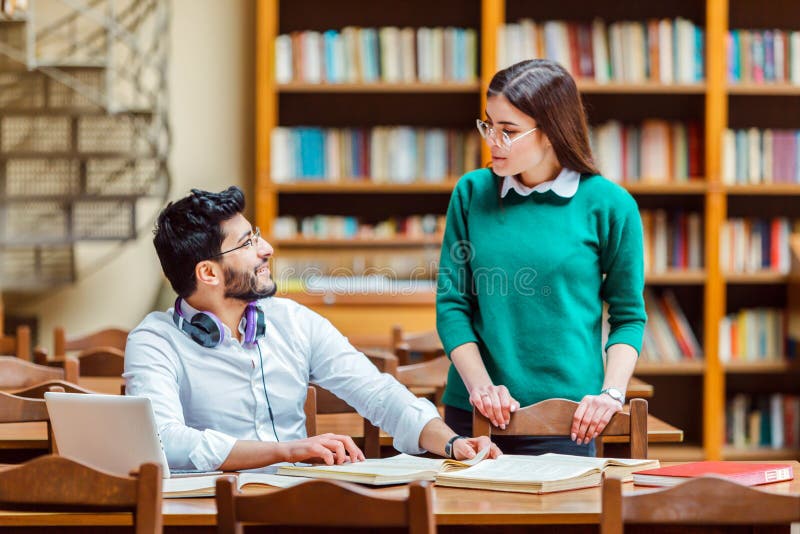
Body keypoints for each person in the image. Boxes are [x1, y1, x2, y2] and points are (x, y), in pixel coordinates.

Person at [123, 186, 499, 472]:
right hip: (206, 517)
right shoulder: (155, 341)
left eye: (257, 235)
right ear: (207, 272)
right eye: (248, 243)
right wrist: (288, 451)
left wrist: (451, 443)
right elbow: (163, 440)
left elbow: (378, 393)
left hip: (295, 510)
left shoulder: (293, 320)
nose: (266, 248)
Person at [436, 58, 647, 456]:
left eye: (508, 131)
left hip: (568, 419)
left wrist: (611, 394)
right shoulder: (471, 193)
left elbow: (628, 316)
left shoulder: (610, 205)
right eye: (488, 125)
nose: (492, 141)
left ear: (551, 132)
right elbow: (452, 305)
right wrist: (481, 387)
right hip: (474, 414)